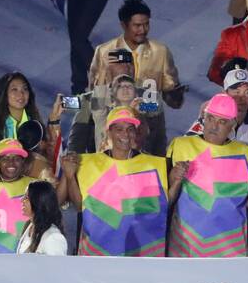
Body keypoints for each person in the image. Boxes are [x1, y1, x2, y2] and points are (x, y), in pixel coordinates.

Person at [59, 108, 169, 257]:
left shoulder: (153, 166)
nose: (125, 134)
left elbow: (162, 207)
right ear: (108, 132)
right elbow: (81, 206)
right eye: (119, 129)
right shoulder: (89, 163)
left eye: (130, 129)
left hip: (141, 253)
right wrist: (70, 176)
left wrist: (175, 182)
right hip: (99, 252)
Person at [87, 0, 185, 155]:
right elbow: (95, 96)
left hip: (148, 133)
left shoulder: (160, 52)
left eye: (146, 24)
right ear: (124, 25)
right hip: (112, 131)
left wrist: (174, 93)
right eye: (137, 25)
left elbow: (163, 99)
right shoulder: (104, 51)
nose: (143, 30)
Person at [166, 94, 248, 258]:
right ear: (203, 119)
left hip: (229, 250)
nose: (214, 126)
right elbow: (165, 196)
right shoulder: (180, 145)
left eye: (222, 122)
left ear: (232, 125)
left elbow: (247, 197)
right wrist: (174, 177)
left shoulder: (246, 154)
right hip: (186, 247)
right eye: (210, 118)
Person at [17, 180, 68, 255]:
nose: (21, 200)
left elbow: (57, 266)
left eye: (26, 198)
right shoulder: (29, 226)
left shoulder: (54, 238)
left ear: (38, 202)